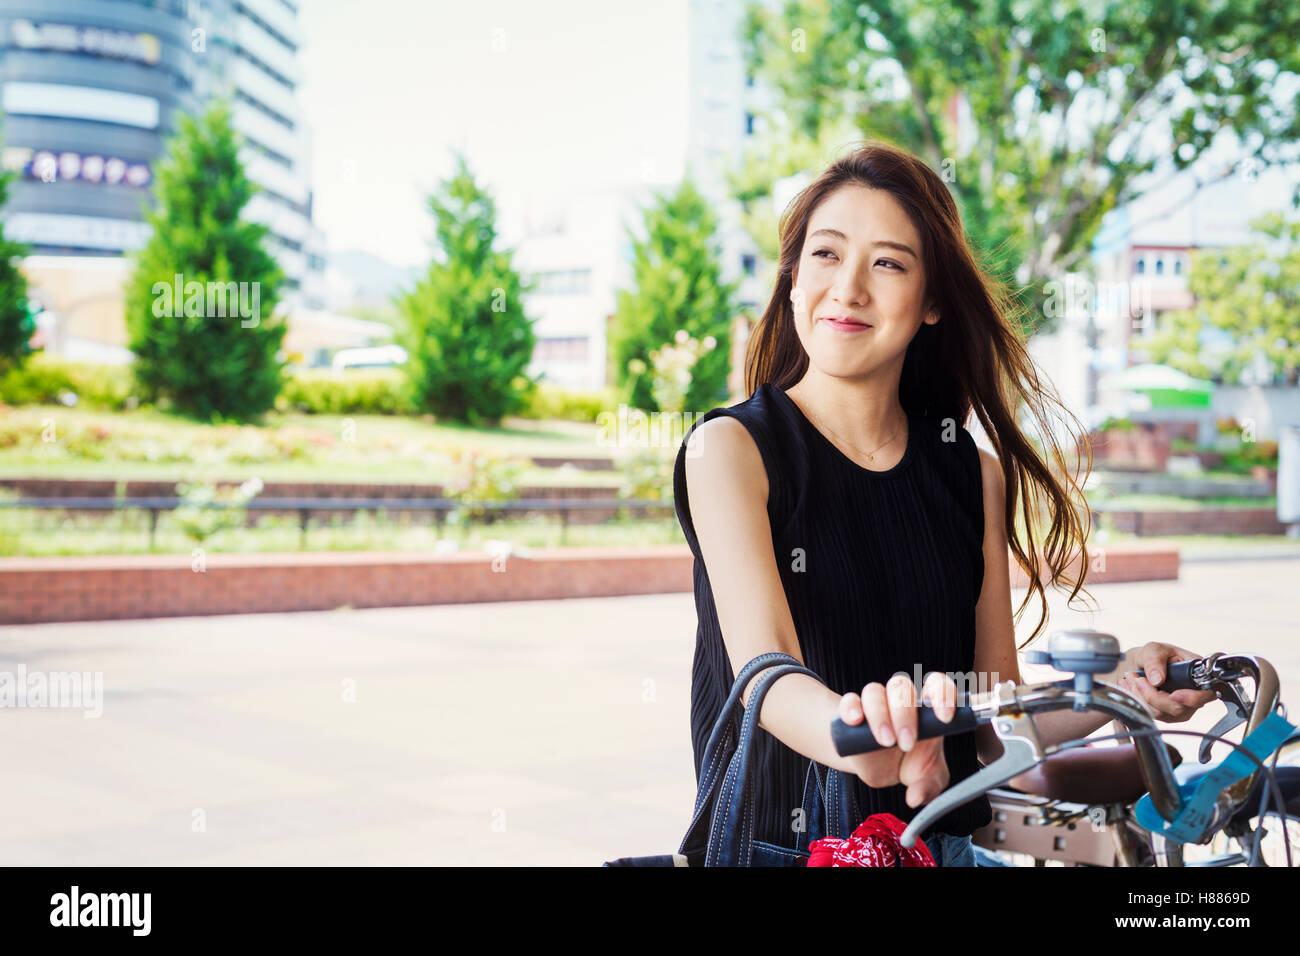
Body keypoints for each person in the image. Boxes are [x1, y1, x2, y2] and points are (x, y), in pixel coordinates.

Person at [672, 141, 1216, 867]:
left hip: (939, 850)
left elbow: (994, 716)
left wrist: (1121, 693)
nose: (849, 288)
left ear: (932, 302)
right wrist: (858, 734)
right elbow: (764, 677)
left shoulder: (971, 473)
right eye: (826, 255)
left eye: (888, 263)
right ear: (793, 278)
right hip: (783, 849)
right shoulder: (732, 450)